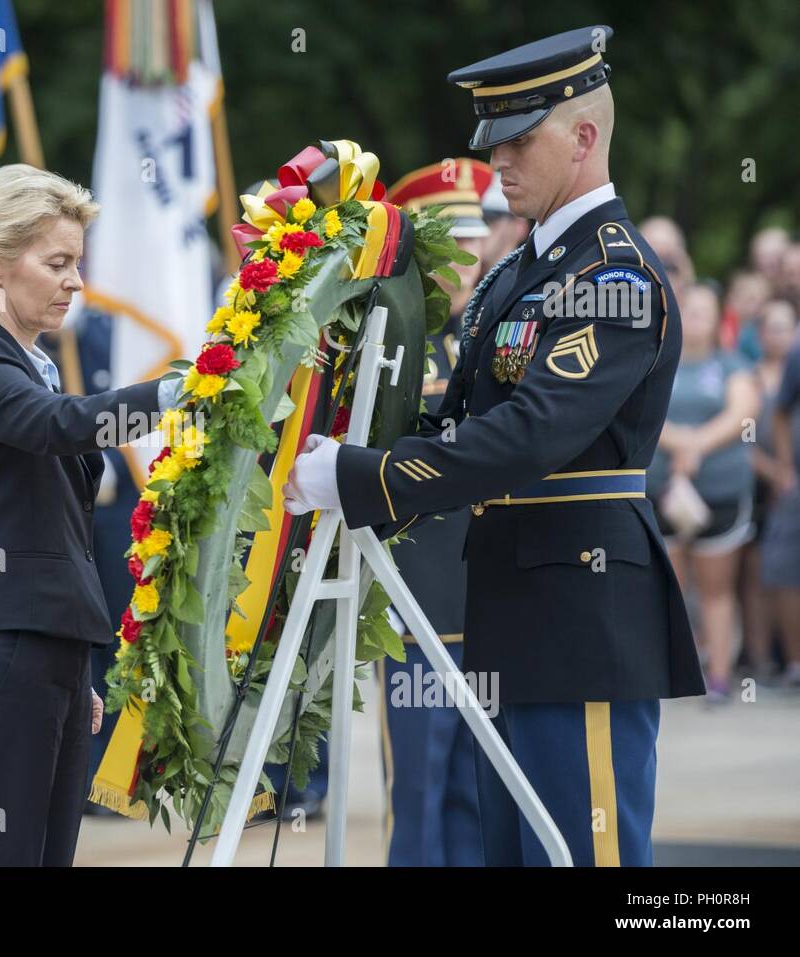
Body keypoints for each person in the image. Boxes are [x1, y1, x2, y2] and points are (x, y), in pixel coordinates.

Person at [285, 26, 704, 866]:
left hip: (582, 613)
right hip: (509, 607)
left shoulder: (613, 279)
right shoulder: (520, 274)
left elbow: (526, 435)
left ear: (583, 138)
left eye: (518, 141)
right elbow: (456, 420)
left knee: (585, 856)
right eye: (492, 142)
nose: (498, 162)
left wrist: (362, 477)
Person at [0, 164, 176, 866]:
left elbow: (57, 527)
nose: (76, 282)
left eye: (78, 264)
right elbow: (59, 425)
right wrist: (180, 393)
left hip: (47, 648)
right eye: (57, 262)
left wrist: (77, 665)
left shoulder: (31, 363)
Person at [375, 158, 496, 866]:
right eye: (455, 238)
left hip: (483, 594)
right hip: (417, 599)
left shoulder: (481, 340)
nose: (470, 255)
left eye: (476, 237)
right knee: (419, 795)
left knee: (476, 793)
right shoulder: (393, 345)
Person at [647, 283, 759, 704]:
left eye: (702, 311)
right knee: (667, 588)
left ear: (717, 319)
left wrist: (695, 445)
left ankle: (719, 678)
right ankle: (667, 677)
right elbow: (643, 411)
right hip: (661, 488)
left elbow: (743, 413)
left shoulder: (731, 365)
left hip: (719, 491)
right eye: (686, 309)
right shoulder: (657, 361)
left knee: (716, 588)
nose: (693, 317)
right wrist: (681, 444)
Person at [743, 300, 798, 677]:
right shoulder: (750, 377)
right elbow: (753, 432)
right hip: (767, 489)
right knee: (769, 573)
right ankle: (779, 662)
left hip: (781, 484)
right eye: (771, 327)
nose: (778, 335)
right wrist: (781, 471)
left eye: (785, 326)